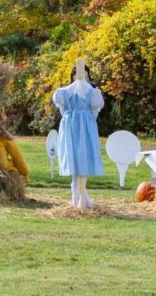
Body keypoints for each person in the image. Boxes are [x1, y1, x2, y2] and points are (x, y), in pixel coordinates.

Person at [51, 59, 105, 208]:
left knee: (84, 158)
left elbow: (94, 108)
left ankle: (79, 196)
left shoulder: (92, 92)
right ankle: (79, 195)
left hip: (79, 127)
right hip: (76, 127)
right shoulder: (65, 91)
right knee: (75, 157)